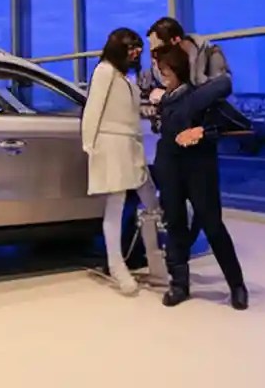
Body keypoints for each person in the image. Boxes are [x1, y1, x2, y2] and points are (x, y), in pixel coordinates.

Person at [153, 44, 249, 310]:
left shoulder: (199, 96)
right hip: (170, 166)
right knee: (174, 223)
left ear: (180, 70)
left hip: (199, 166)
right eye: (160, 71)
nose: (163, 77)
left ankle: (237, 285)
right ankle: (179, 284)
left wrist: (202, 133)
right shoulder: (163, 99)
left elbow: (228, 124)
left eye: (166, 71)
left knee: (212, 224)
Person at [82, 28, 166, 296]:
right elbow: (93, 109)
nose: (135, 53)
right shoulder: (105, 71)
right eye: (132, 48)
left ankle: (156, 261)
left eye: (137, 49)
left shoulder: (123, 76)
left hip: (131, 145)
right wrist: (91, 146)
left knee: (150, 199)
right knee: (116, 204)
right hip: (112, 145)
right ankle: (117, 266)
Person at [144, 17, 232, 247]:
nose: (154, 57)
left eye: (158, 49)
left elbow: (224, 85)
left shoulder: (209, 53)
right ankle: (179, 273)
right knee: (174, 217)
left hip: (200, 143)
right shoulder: (162, 65)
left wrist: (182, 101)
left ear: (175, 40)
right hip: (172, 147)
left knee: (210, 220)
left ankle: (234, 282)